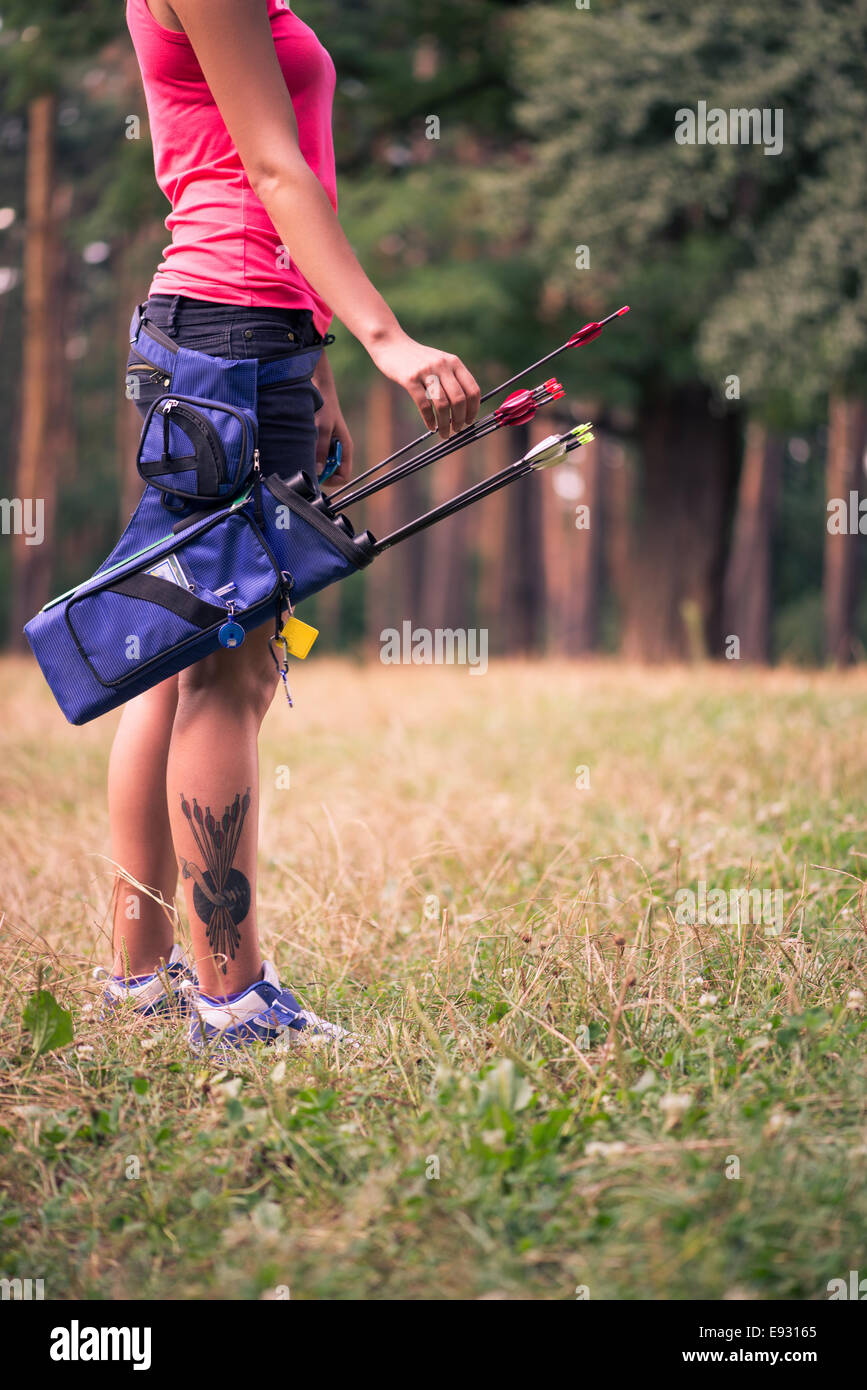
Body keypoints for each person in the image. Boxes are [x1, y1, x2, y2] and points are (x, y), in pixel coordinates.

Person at [101, 0, 480, 1049]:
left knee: (174, 651)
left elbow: (259, 166)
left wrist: (312, 359)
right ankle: (231, 999)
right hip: (230, 335)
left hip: (240, 334)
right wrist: (385, 339)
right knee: (231, 663)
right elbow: (274, 172)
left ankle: (140, 977)